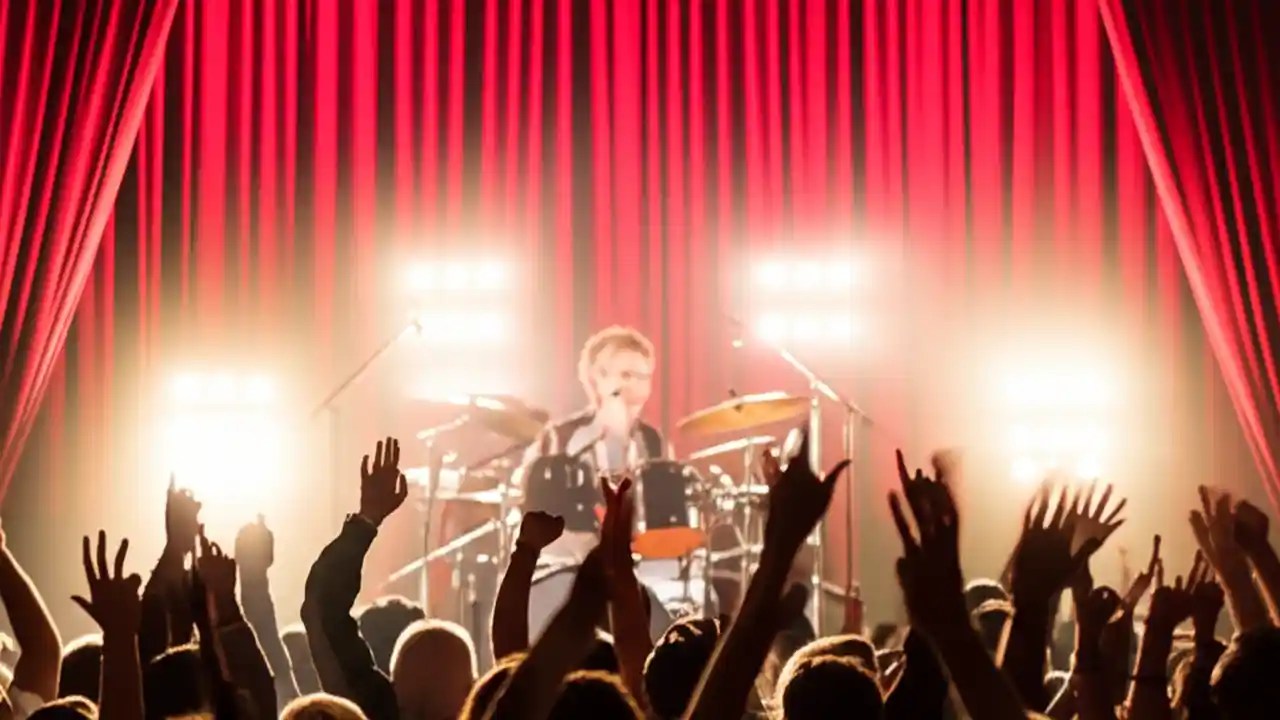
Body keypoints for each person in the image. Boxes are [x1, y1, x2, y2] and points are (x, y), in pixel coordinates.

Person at [521, 326, 664, 562]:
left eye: (644, 377)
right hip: (570, 561)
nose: (636, 386)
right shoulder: (559, 437)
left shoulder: (652, 440)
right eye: (627, 375)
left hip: (636, 558)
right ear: (598, 378)